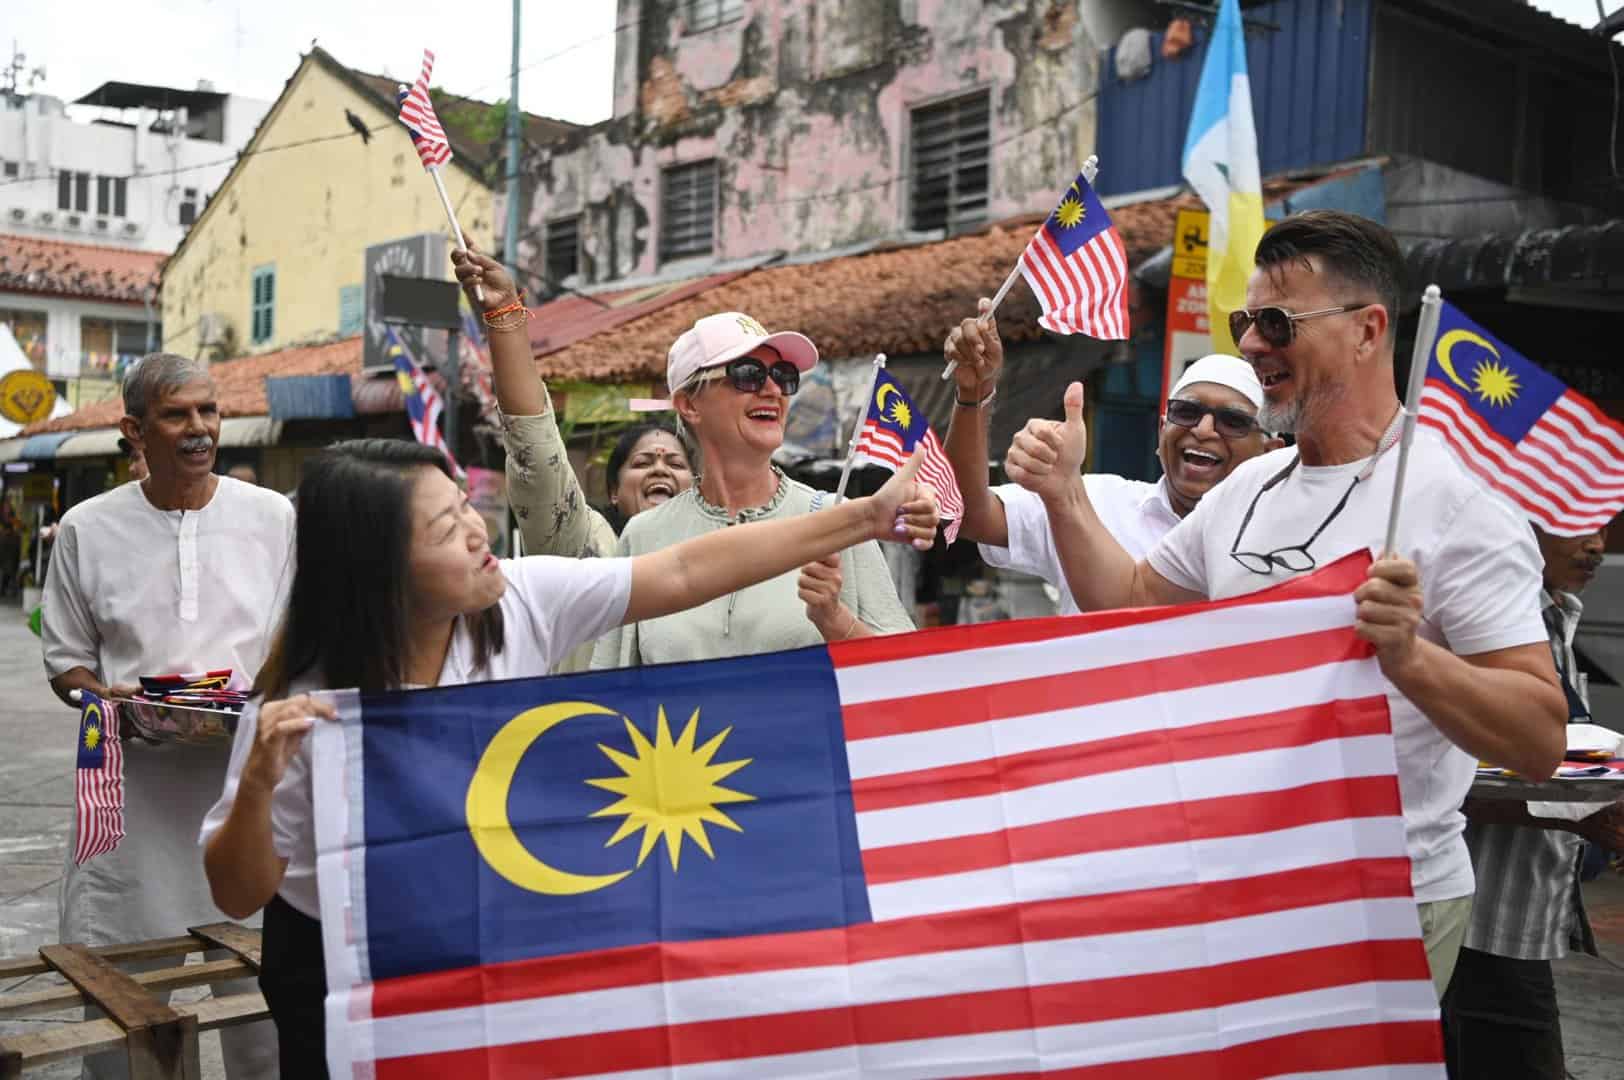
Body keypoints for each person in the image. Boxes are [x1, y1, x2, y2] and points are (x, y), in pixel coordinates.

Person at [197, 436, 938, 1075]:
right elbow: (237, 894)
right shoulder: (301, 702)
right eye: (445, 527)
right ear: (379, 568)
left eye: (466, 506)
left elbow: (683, 572)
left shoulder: (520, 599)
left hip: (479, 929)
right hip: (343, 960)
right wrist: (259, 784)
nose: (478, 531)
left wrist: (863, 518)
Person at [1003, 209, 1566, 997]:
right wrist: (1064, 497)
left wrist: (1411, 657)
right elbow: (1132, 602)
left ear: (1369, 331)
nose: (1252, 345)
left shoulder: (1457, 506)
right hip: (1243, 882)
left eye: (1276, 321)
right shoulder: (1246, 487)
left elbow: (1539, 738)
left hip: (1382, 897)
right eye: (1245, 322)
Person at [42, 353, 290, 1080]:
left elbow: (298, 639)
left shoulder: (275, 518)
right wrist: (108, 700)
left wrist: (254, 701)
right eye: (178, 414)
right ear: (133, 429)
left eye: (208, 412)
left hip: (247, 796)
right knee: (128, 1010)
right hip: (131, 807)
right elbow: (66, 662)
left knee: (264, 1013)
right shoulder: (87, 528)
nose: (199, 428)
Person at [589, 311, 918, 668]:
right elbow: (611, 692)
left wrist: (836, 620)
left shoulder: (840, 520)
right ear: (689, 405)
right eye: (749, 375)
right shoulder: (643, 535)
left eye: (784, 376)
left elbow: (905, 676)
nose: (773, 390)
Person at [943, 300, 1277, 613]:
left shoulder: (1287, 544)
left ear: (1269, 451)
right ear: (1161, 432)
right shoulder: (1099, 501)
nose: (1204, 430)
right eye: (1187, 412)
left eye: (1233, 421)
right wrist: (974, 393)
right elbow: (966, 515)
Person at [450, 248, 696, 671]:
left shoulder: (723, 555)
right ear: (614, 492)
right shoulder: (588, 547)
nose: (660, 468)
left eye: (676, 464)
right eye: (642, 463)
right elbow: (537, 450)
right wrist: (506, 318)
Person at [1445, 519, 1623, 1079]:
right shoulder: (1488, 628)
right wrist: (1581, 820)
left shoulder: (1556, 615)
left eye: (1604, 525)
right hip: (1485, 925)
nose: (1596, 545)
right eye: (1579, 525)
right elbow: (1447, 778)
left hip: (1527, 920)